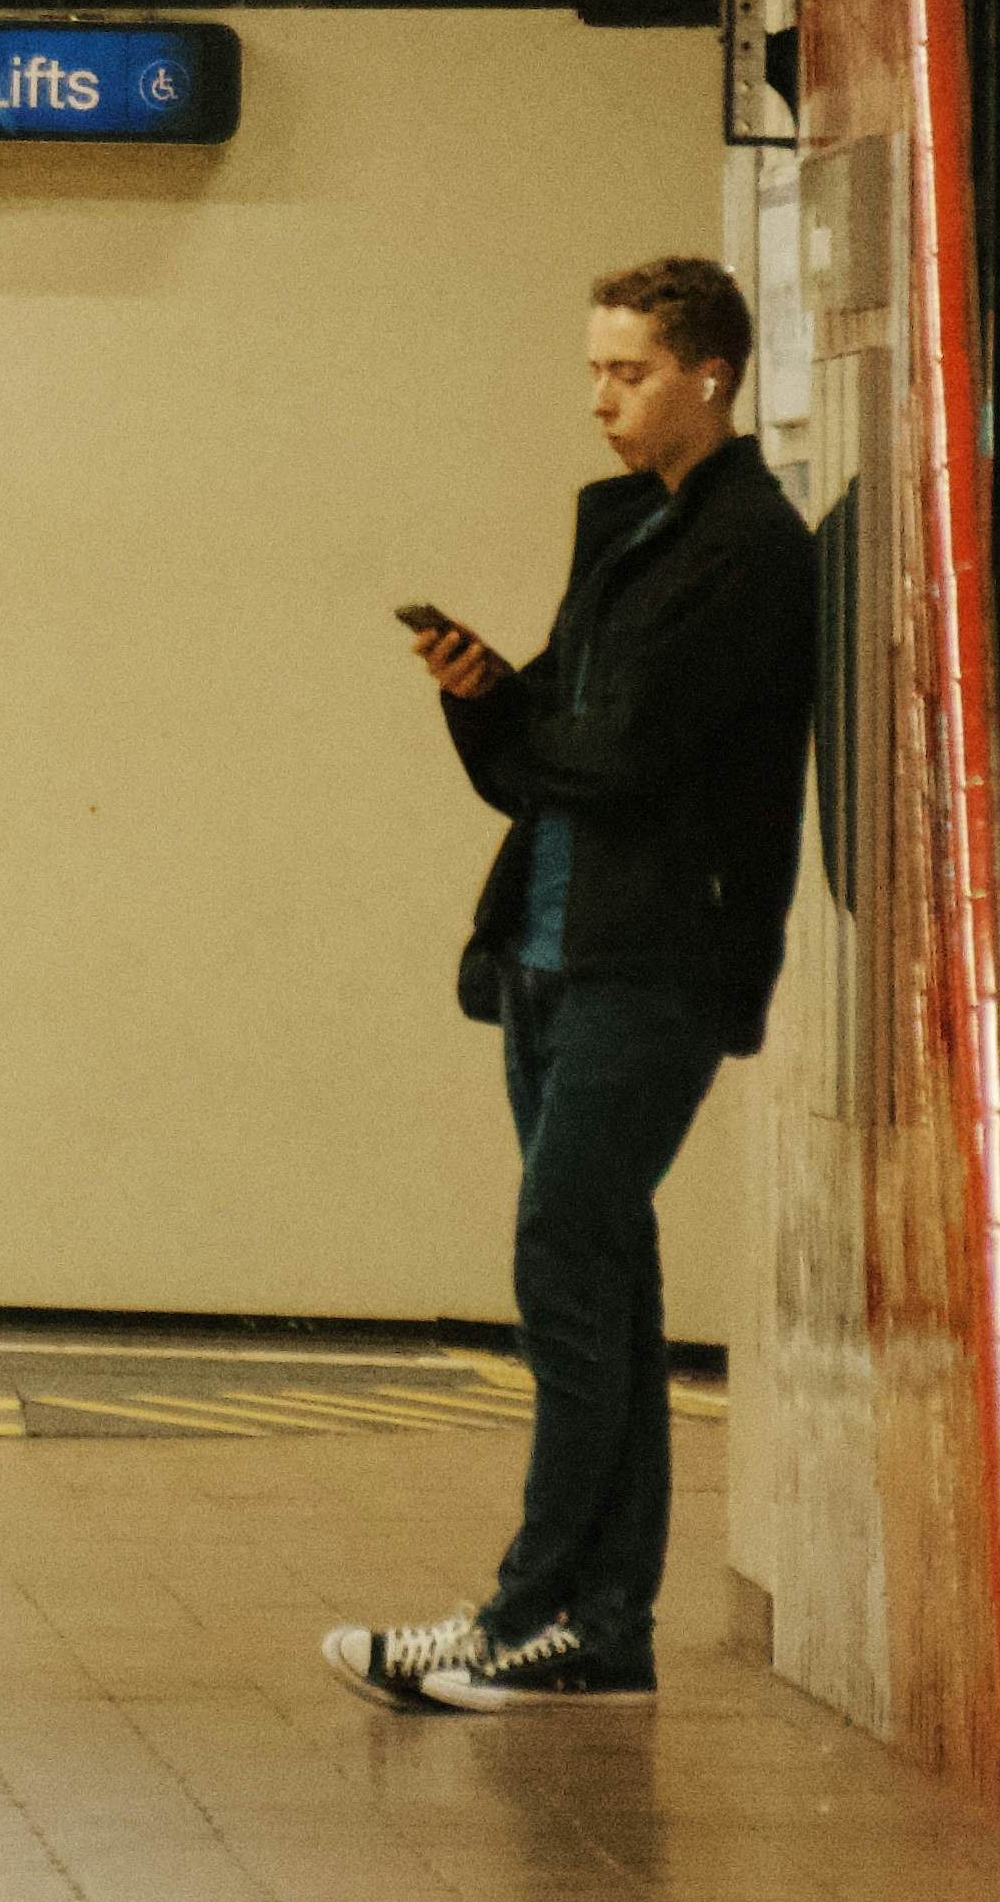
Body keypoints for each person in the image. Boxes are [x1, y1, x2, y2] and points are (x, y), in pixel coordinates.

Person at [324, 256, 815, 1711]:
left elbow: (617, 756)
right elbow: (553, 740)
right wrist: (486, 702)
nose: (599, 397)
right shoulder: (625, 529)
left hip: (651, 958)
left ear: (708, 377)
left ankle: (521, 1613)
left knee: (562, 1265)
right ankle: (596, 1630)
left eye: (628, 371)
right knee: (602, 1275)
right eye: (595, 369)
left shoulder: (743, 550)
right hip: (550, 949)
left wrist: (531, 727)